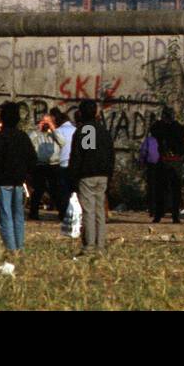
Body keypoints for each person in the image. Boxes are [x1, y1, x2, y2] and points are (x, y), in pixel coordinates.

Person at [0, 101, 37, 256]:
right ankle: (19, 247)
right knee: (18, 215)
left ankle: (11, 248)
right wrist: (27, 176)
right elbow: (33, 158)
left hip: (3, 182)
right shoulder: (23, 137)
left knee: (5, 215)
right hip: (19, 182)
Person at [69, 99, 115, 255]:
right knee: (99, 210)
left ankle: (89, 245)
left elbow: (77, 156)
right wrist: (109, 174)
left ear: (81, 113)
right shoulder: (104, 131)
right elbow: (111, 154)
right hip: (103, 174)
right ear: (96, 113)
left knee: (88, 210)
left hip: (86, 175)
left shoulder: (81, 131)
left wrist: (73, 176)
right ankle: (100, 245)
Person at [145, 109, 184, 224]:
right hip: (175, 160)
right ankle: (174, 215)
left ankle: (159, 214)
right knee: (174, 189)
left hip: (164, 160)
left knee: (161, 189)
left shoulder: (160, 128)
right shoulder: (178, 128)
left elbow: (154, 131)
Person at [28, 112, 65, 220]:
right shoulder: (36, 133)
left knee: (56, 190)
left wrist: (53, 129)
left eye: (47, 122)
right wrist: (38, 130)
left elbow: (63, 142)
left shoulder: (55, 134)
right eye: (43, 121)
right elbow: (29, 143)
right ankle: (33, 213)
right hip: (40, 165)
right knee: (38, 189)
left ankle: (61, 212)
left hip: (54, 164)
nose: (45, 124)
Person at [53, 109, 76, 223]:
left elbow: (58, 146)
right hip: (73, 164)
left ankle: (63, 213)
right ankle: (74, 213)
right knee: (73, 191)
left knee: (63, 192)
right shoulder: (76, 130)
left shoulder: (58, 131)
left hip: (62, 164)